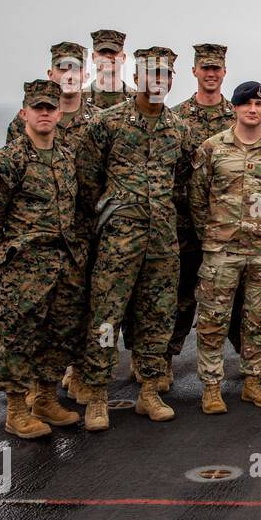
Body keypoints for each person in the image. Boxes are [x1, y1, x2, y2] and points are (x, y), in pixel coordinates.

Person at [76, 46, 195, 430]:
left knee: (157, 315)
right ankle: (96, 395)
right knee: (106, 318)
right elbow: (88, 180)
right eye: (151, 75)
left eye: (165, 76)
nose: (158, 82)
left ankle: (148, 390)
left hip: (162, 240)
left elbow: (183, 182)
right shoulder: (108, 124)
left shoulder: (178, 130)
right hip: (118, 241)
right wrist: (115, 213)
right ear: (139, 77)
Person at [0, 80, 87, 438]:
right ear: (24, 113)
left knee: (59, 334)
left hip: (64, 265)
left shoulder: (67, 159)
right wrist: (11, 253)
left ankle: (47, 399)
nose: (45, 114)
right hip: (23, 269)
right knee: (20, 337)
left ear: (58, 113)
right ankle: (17, 409)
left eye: (50, 108)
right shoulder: (7, 162)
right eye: (38, 108)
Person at [188, 81, 261, 413]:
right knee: (213, 318)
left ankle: (252, 380)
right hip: (221, 249)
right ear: (234, 108)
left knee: (260, 318)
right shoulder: (212, 148)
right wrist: (215, 232)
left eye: (259, 105)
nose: (252, 109)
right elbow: (197, 198)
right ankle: (212, 386)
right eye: (245, 103)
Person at [167, 43, 240, 390]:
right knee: (179, 295)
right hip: (183, 225)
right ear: (194, 72)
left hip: (226, 226)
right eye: (205, 68)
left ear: (224, 72)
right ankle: (162, 361)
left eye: (217, 68)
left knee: (235, 297)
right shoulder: (176, 117)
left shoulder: (236, 116)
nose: (211, 74)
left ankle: (249, 362)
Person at [84, 28, 133, 109]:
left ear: (124, 58)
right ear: (93, 57)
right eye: (102, 52)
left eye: (114, 51)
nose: (108, 56)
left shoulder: (137, 100)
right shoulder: (78, 99)